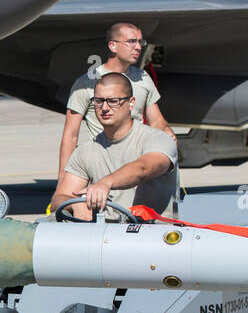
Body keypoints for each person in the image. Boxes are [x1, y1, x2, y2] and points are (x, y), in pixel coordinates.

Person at [50, 72, 178, 221]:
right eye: (98, 101)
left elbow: (143, 169)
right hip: (106, 232)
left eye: (113, 101)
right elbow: (58, 199)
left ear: (131, 103)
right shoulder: (86, 151)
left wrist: (106, 183)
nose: (104, 107)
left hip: (152, 232)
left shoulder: (158, 140)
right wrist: (74, 204)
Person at [58, 21, 175, 179]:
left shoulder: (143, 78)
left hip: (136, 165)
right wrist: (63, 178)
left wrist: (166, 132)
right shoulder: (86, 83)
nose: (138, 47)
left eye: (140, 42)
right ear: (112, 46)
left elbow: (156, 121)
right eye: (131, 41)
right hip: (102, 166)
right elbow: (71, 135)